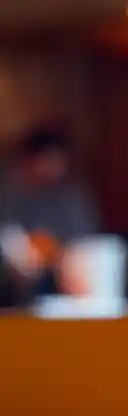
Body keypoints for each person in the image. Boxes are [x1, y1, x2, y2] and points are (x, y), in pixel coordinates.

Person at [0, 126, 100, 306]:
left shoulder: (71, 198)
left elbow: (82, 246)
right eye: (47, 161)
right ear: (29, 160)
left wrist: (65, 260)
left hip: (60, 290)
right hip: (12, 291)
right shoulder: (10, 194)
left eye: (57, 161)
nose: (53, 168)